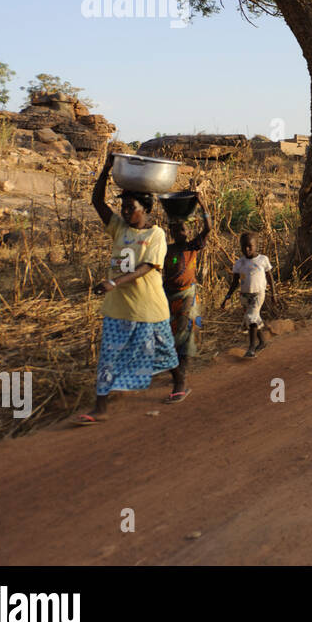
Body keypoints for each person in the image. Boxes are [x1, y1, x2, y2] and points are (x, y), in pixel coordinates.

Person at [74, 152, 183, 424]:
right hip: (118, 307)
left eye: (130, 208)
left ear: (145, 209)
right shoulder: (119, 228)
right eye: (123, 208)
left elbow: (147, 267)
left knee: (165, 351)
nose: (124, 212)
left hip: (149, 307)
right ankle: (101, 408)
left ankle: (180, 384)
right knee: (108, 357)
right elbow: (96, 201)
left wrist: (113, 282)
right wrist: (106, 168)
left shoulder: (155, 235)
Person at [162, 194, 211, 403]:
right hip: (169, 295)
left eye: (183, 229)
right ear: (171, 233)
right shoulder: (168, 250)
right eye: (176, 230)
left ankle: (182, 373)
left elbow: (208, 229)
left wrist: (203, 206)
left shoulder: (192, 247)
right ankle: (178, 369)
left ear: (188, 232)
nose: (180, 233)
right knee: (172, 333)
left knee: (187, 332)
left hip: (188, 295)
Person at [221, 232, 276, 358]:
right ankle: (262, 342)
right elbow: (235, 283)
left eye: (250, 246)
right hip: (244, 296)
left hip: (258, 294)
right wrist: (227, 297)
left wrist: (274, 294)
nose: (246, 249)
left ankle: (251, 348)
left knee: (251, 317)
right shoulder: (239, 263)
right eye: (243, 247)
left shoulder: (263, 260)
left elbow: (270, 278)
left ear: (256, 245)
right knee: (254, 319)